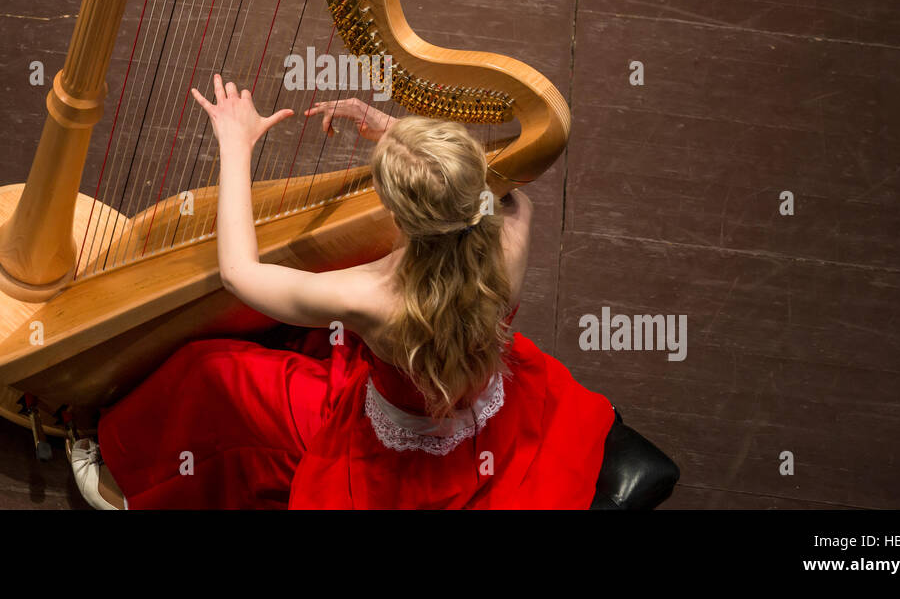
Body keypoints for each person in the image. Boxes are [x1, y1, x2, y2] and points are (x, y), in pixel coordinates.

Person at [68, 74, 615, 509]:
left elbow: (240, 274)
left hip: (392, 459)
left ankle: (120, 485)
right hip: (484, 410)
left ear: (401, 215)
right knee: (311, 345)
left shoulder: (371, 294)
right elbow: (504, 192)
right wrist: (401, 138)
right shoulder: (510, 236)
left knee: (211, 372)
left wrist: (236, 145)